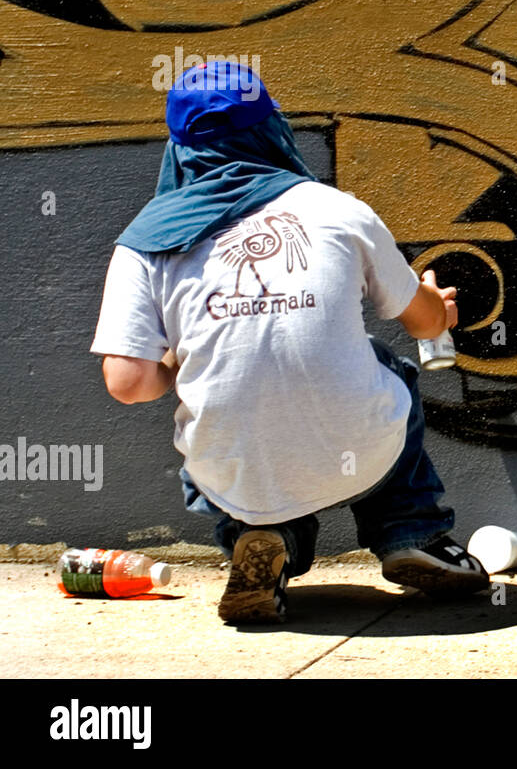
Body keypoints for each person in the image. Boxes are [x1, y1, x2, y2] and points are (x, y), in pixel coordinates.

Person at [90, 60, 487, 623]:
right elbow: (424, 325)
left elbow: (128, 384)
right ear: (274, 130)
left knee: (215, 409)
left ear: (178, 149)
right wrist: (437, 307)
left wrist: (192, 360)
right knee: (391, 369)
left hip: (232, 465)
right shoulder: (337, 210)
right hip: (360, 446)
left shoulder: (143, 242)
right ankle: (410, 532)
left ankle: (262, 538)